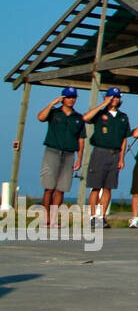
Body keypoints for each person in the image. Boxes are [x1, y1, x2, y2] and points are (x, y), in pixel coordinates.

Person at [35, 88, 86, 227]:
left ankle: (53, 219)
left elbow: (81, 140)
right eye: (68, 97)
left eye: (73, 97)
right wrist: (52, 104)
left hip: (69, 153)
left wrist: (79, 158)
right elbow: (40, 117)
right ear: (63, 98)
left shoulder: (78, 118)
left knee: (61, 188)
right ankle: (46, 219)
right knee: (49, 187)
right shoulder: (54, 113)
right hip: (52, 151)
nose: (71, 99)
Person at [83, 88, 131, 228]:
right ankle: (93, 216)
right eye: (112, 97)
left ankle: (102, 217)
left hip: (114, 154)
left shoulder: (123, 117)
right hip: (100, 152)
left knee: (108, 187)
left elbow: (124, 139)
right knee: (96, 186)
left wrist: (122, 158)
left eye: (117, 97)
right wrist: (103, 104)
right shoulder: (100, 113)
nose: (114, 99)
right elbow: (86, 118)